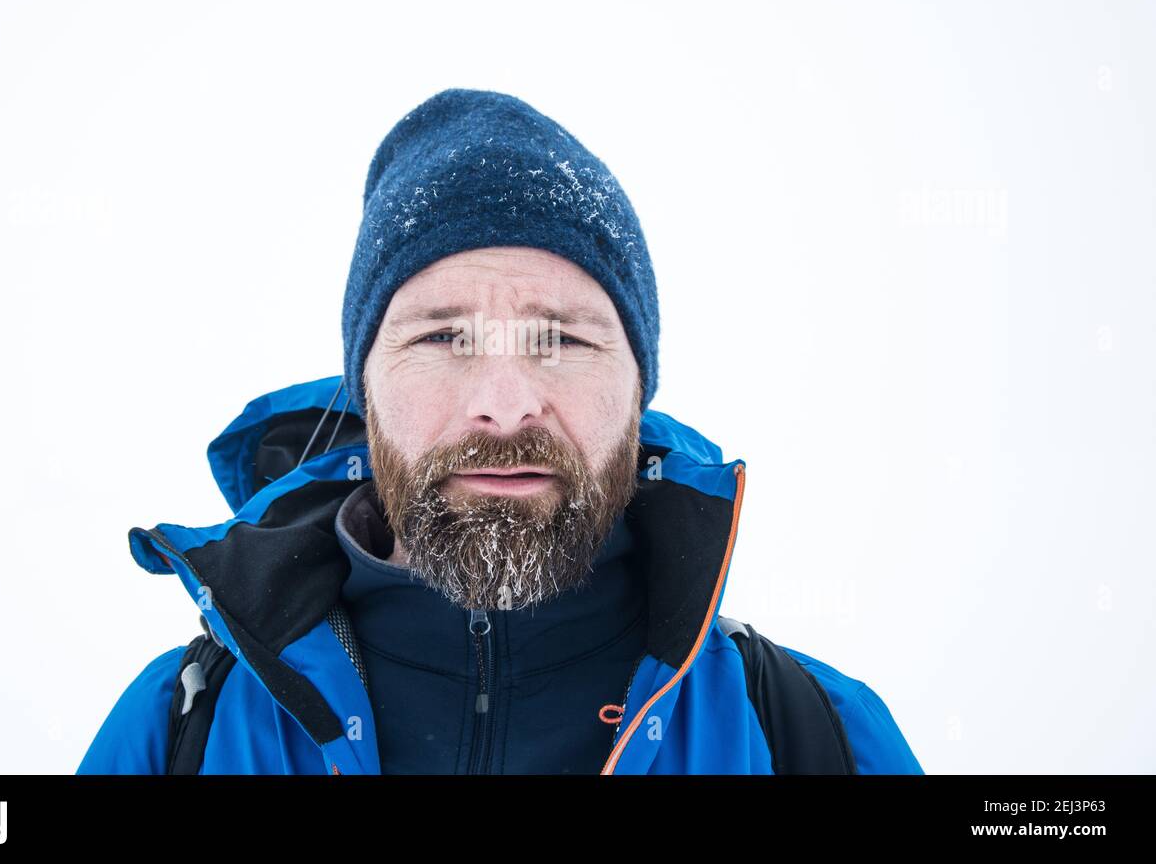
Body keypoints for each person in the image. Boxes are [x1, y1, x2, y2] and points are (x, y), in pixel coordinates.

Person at [76, 88, 923, 774]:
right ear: (363, 393)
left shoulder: (814, 738)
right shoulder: (178, 732)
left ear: (640, 393)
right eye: (444, 338)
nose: (507, 404)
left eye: (563, 339)